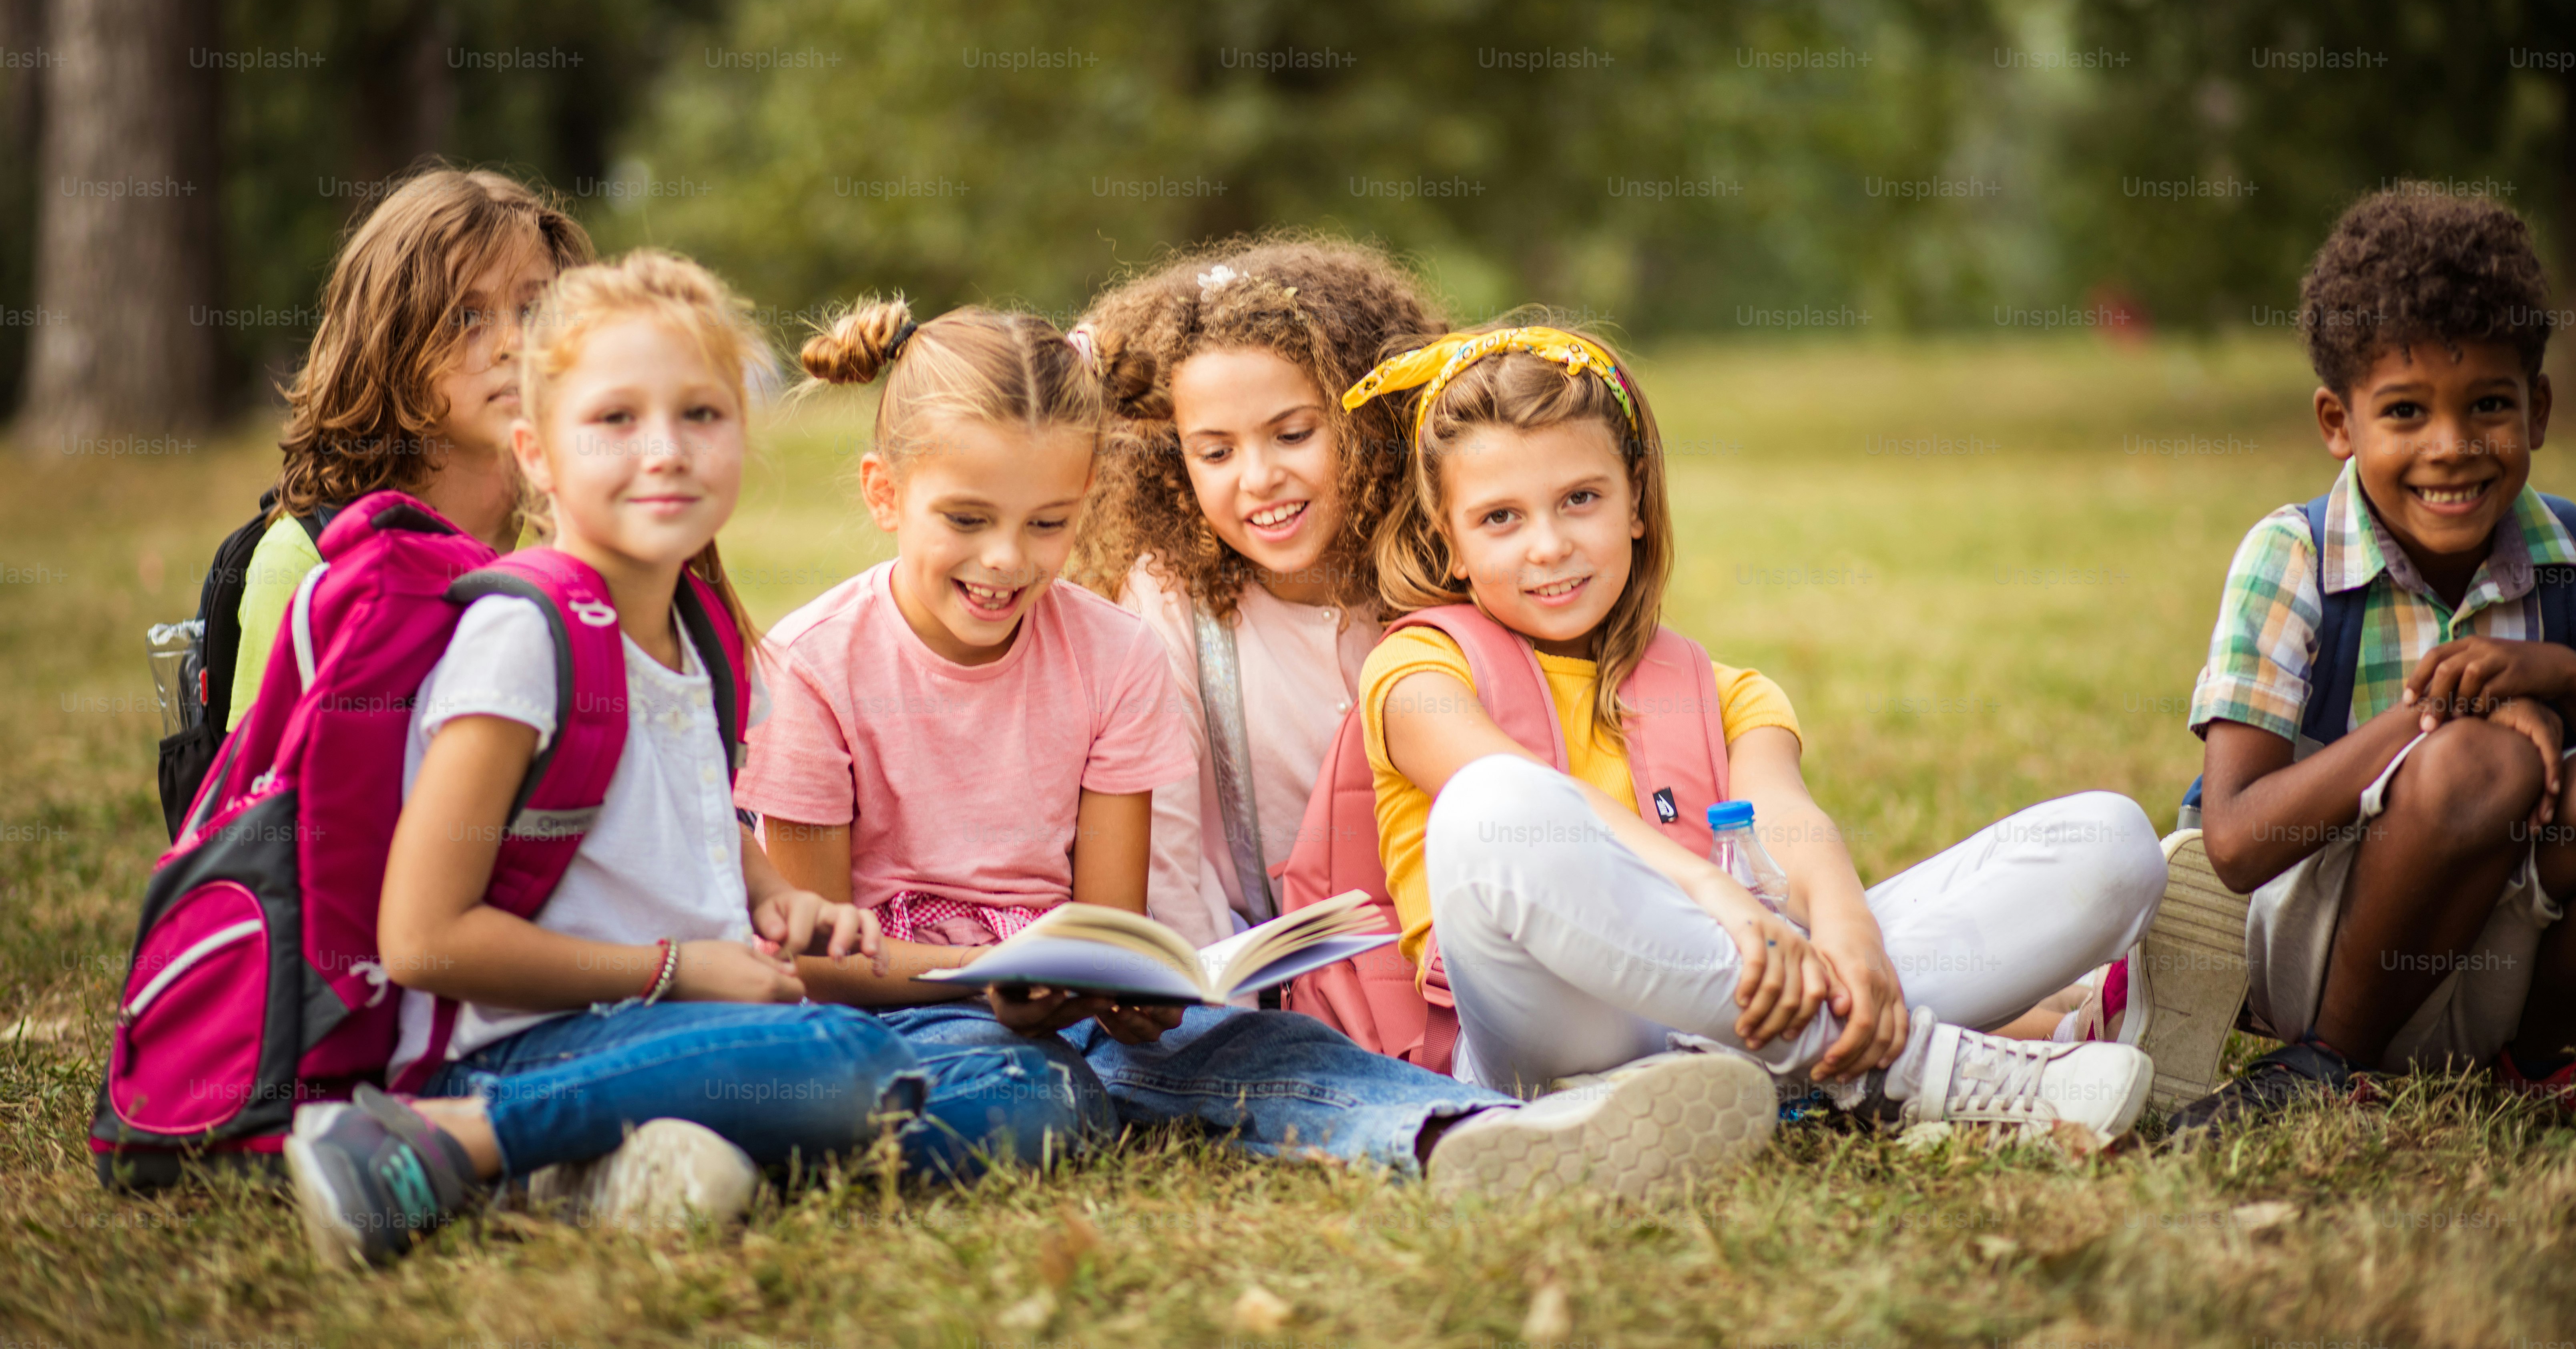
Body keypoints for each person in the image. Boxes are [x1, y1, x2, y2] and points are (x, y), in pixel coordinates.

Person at [743, 296, 1772, 1200]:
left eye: (1048, 524)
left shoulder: (1113, 654)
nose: (1006, 560)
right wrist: (986, 977)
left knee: (1270, 1047)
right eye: (966, 519)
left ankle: (1470, 1137)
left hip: (1069, 1015)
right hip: (905, 1014)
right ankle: (760, 1145)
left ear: (1086, 498)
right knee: (1033, 1098)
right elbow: (814, 958)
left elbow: (1110, 922)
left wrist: (1127, 991)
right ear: (883, 494)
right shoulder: (811, 666)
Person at [283, 253, 1078, 1267]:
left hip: (685, 1037)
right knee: (841, 1059)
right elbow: (423, 942)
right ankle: (450, 1141)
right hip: (525, 1050)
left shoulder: (695, 632)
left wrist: (780, 902)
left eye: (701, 415)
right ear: (536, 453)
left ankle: (603, 1169)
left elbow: (687, 826)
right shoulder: (523, 639)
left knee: (1037, 1094)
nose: (664, 450)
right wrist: (674, 970)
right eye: (615, 419)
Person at [1350, 318, 2169, 1141]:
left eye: (1580, 499)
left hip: (1741, 996)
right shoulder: (1416, 672)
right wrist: (1712, 892)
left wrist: (1849, 933)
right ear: (1449, 543)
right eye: (1500, 518)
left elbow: (1788, 827)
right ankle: (1905, 1066)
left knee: (2111, 841)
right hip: (1550, 1038)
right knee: (1493, 803)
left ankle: (1775, 1066)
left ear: (1636, 502)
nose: (1549, 545)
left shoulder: (1728, 693)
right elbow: (1521, 800)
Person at [2167, 184, 2576, 1131]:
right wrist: (2438, 714)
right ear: (2336, 423)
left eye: (2487, 404)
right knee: (2480, 759)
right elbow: (2234, 844)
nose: (2451, 447)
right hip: (2314, 951)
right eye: (2403, 411)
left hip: (2497, 956)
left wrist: (2554, 676)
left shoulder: (2565, 555)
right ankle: (2323, 1064)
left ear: (2537, 408)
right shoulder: (2293, 557)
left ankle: (2535, 1058)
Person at [1069, 238, 1448, 945]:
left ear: (1367, 420)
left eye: (1294, 434)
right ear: (1174, 461)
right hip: (1255, 972)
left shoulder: (1437, 569)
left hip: (1441, 953)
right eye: (1216, 452)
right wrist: (1216, 995)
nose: (1259, 477)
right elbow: (1166, 860)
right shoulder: (1167, 603)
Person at [230, 167, 592, 728]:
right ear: (389, 343)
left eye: (534, 310)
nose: (513, 343)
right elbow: (260, 776)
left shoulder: (582, 533)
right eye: (467, 316)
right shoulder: (308, 561)